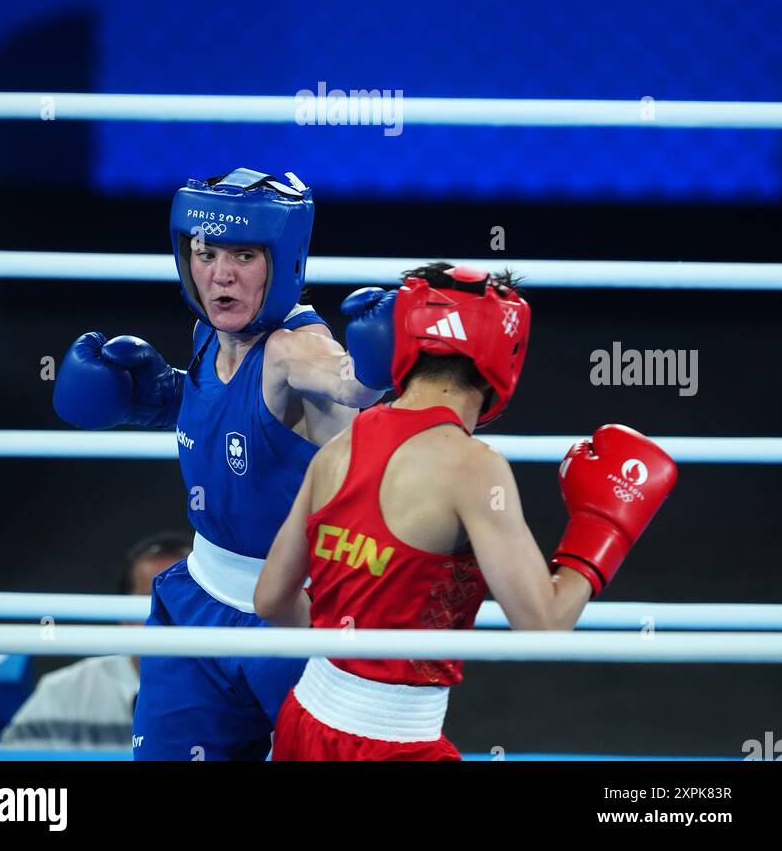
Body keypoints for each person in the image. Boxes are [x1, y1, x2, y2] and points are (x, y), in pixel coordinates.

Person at [254, 262, 679, 761]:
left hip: (304, 721)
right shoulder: (476, 468)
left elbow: (271, 599)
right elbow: (543, 628)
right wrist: (603, 528)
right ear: (506, 355)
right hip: (397, 745)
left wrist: (347, 666)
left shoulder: (339, 446)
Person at [53, 169, 389, 761]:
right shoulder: (208, 334)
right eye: (205, 253)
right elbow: (226, 416)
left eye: (243, 254)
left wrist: (384, 358)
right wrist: (159, 399)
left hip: (297, 615)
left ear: (282, 262)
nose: (220, 274)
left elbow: (352, 386)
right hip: (197, 602)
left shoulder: (294, 349)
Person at [0, 532, 189, 752]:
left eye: (185, 600)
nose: (170, 616)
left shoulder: (233, 692)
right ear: (124, 614)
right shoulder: (63, 693)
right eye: (152, 600)